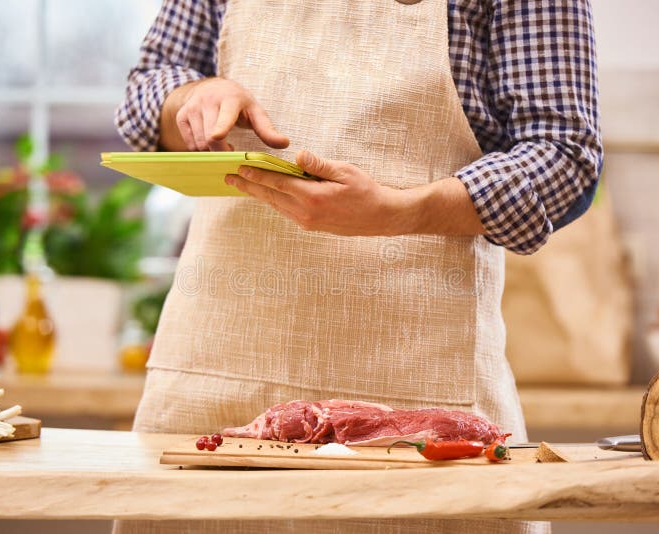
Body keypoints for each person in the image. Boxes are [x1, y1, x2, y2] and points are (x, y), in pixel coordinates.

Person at [114, 0, 601, 532]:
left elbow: (565, 154)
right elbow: (146, 94)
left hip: (421, 410)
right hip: (210, 389)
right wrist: (194, 97)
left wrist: (403, 210)